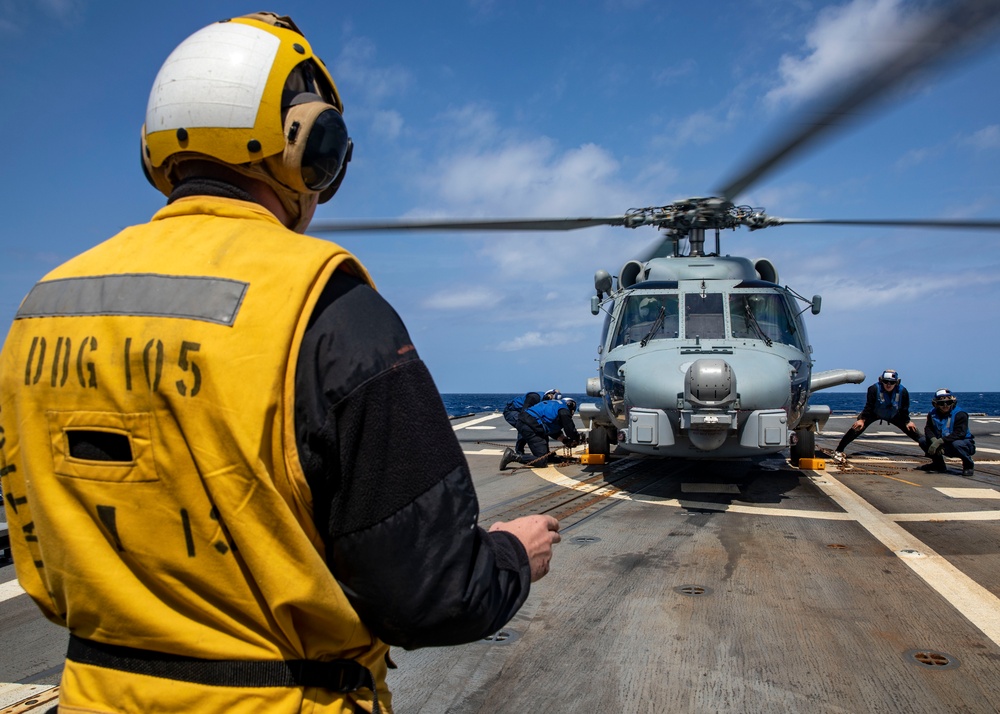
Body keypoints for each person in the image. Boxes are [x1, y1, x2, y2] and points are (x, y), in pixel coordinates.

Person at [0, 12, 559, 714]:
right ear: (311, 149)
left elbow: (36, 539)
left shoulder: (40, 309)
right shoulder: (328, 308)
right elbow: (432, 594)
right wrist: (509, 557)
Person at [832, 369, 920, 464]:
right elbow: (869, 406)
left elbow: (904, 408)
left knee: (914, 431)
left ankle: (931, 452)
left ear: (897, 382)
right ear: (881, 381)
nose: (888, 384)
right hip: (874, 413)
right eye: (886, 382)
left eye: (892, 382)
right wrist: (862, 419)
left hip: (894, 415)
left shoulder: (903, 391)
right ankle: (839, 450)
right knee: (857, 427)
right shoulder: (873, 389)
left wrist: (907, 421)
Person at [501, 398, 582, 469]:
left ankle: (547, 456)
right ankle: (513, 456)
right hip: (531, 427)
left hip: (527, 422)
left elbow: (552, 429)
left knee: (545, 453)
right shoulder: (563, 410)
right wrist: (576, 438)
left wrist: (565, 440)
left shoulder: (554, 405)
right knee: (541, 461)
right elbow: (569, 428)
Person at [918, 388, 976, 477]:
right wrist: (934, 441)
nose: (945, 406)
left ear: (953, 402)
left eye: (948, 403)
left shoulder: (960, 414)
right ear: (936, 404)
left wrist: (940, 441)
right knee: (923, 441)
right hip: (943, 443)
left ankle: (968, 465)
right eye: (941, 403)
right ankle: (938, 464)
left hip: (962, 443)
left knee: (957, 444)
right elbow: (928, 429)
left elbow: (960, 433)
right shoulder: (932, 414)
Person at [502, 389, 561, 454]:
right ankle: (519, 452)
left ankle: (546, 452)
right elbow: (524, 416)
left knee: (542, 428)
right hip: (512, 411)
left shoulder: (545, 404)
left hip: (525, 413)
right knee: (524, 426)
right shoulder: (534, 397)